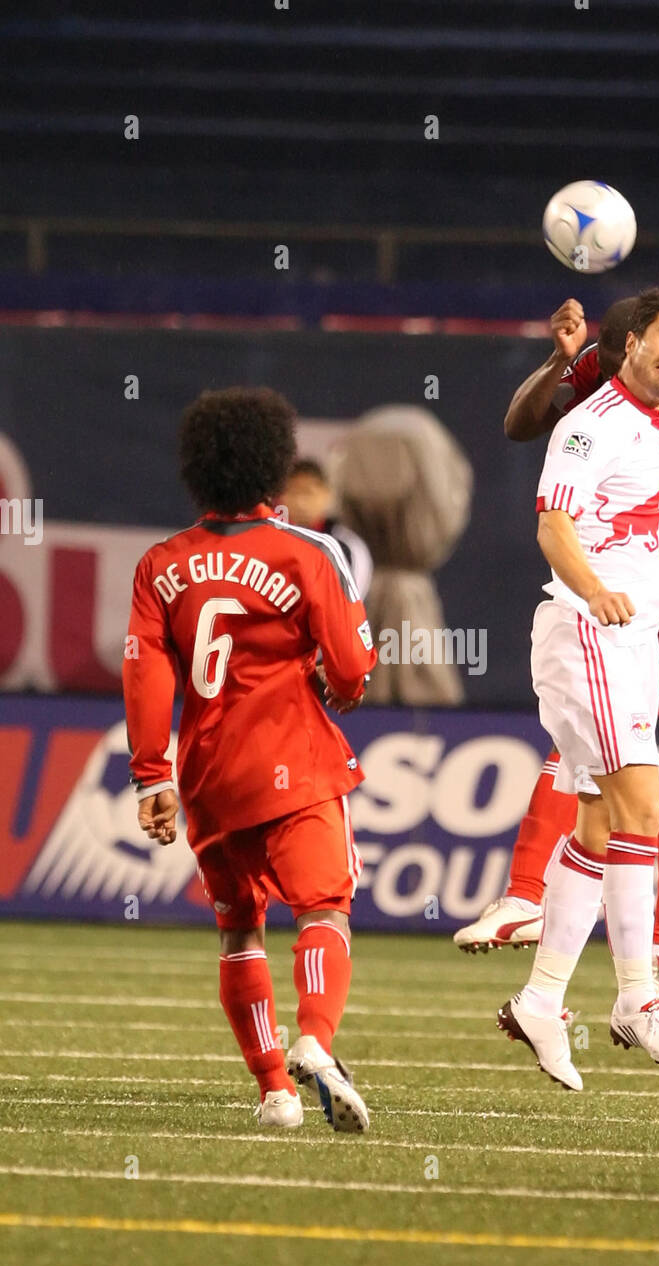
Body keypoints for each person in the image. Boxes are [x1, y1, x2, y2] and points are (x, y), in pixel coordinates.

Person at [456, 296, 659, 1014]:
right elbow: (521, 427)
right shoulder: (598, 392)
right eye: (603, 367)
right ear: (625, 349)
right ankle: (530, 911)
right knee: (589, 750)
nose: (615, 381)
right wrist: (558, 361)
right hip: (616, 580)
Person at [123, 387, 376, 1133]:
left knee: (240, 930)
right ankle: (315, 1041)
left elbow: (145, 671)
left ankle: (275, 1093)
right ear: (273, 467)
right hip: (293, 766)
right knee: (325, 909)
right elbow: (355, 669)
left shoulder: (160, 564)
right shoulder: (309, 550)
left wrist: (151, 777)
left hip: (206, 778)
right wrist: (335, 683)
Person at [278, 457, 374, 599]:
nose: (300, 502)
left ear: (326, 495)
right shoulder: (273, 540)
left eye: (308, 492)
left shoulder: (347, 545)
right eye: (293, 492)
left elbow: (353, 598)